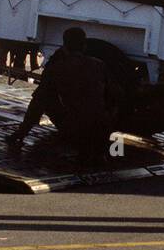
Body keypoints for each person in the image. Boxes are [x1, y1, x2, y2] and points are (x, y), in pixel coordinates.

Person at [7, 26, 115, 163]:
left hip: (74, 128)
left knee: (45, 97)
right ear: (84, 46)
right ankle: (98, 150)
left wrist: (21, 133)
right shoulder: (99, 65)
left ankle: (72, 137)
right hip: (101, 128)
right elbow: (115, 95)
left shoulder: (57, 68)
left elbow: (38, 102)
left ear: (64, 46)